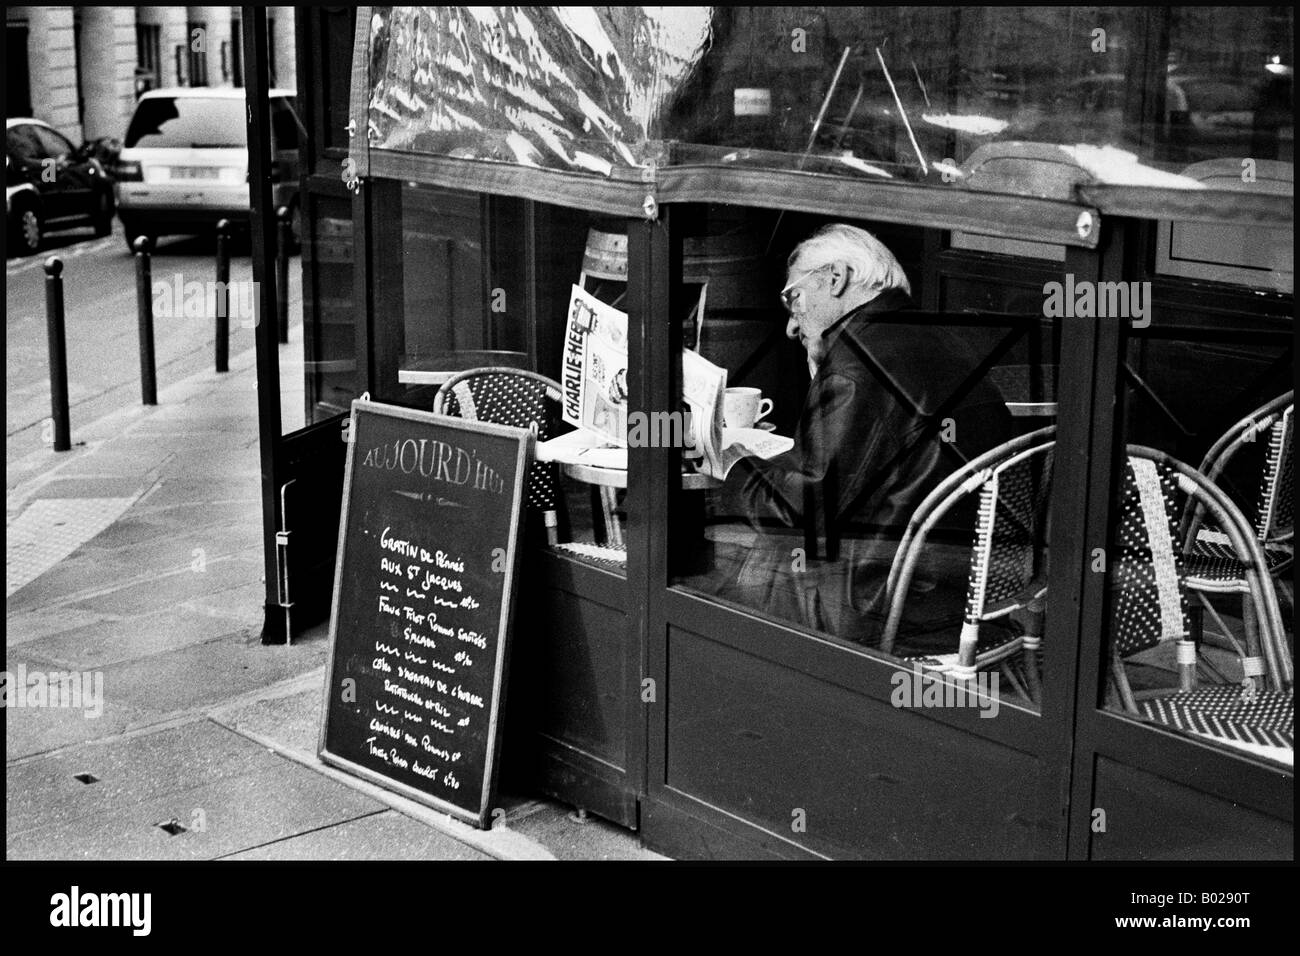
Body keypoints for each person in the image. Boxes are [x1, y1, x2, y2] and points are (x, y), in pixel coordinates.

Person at [715, 223, 1015, 647]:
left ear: (835, 278)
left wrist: (730, 468)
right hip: (969, 598)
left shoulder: (856, 367)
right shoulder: (943, 339)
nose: (789, 326)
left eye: (792, 297)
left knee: (705, 578)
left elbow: (798, 518)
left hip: (883, 608)